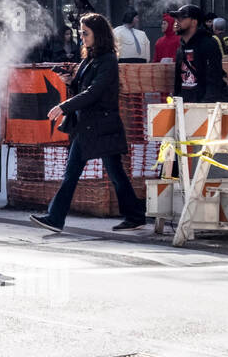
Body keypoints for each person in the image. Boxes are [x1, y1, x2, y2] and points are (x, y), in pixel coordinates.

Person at [30, 13, 146, 233]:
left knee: (77, 173)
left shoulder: (108, 60)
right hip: (93, 125)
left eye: (85, 33)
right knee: (113, 173)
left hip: (99, 125)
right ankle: (135, 215)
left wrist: (64, 106)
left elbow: (94, 92)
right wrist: (70, 82)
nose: (81, 37)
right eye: (80, 33)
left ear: (98, 34)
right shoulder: (91, 58)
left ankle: (55, 218)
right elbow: (86, 90)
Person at [169, 4, 224, 103]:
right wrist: (176, 101)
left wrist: (206, 104)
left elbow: (215, 78)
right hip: (185, 107)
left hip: (204, 106)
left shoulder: (208, 44)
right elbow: (178, 81)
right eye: (176, 18)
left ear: (194, 22)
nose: (176, 22)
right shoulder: (181, 49)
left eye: (182, 18)